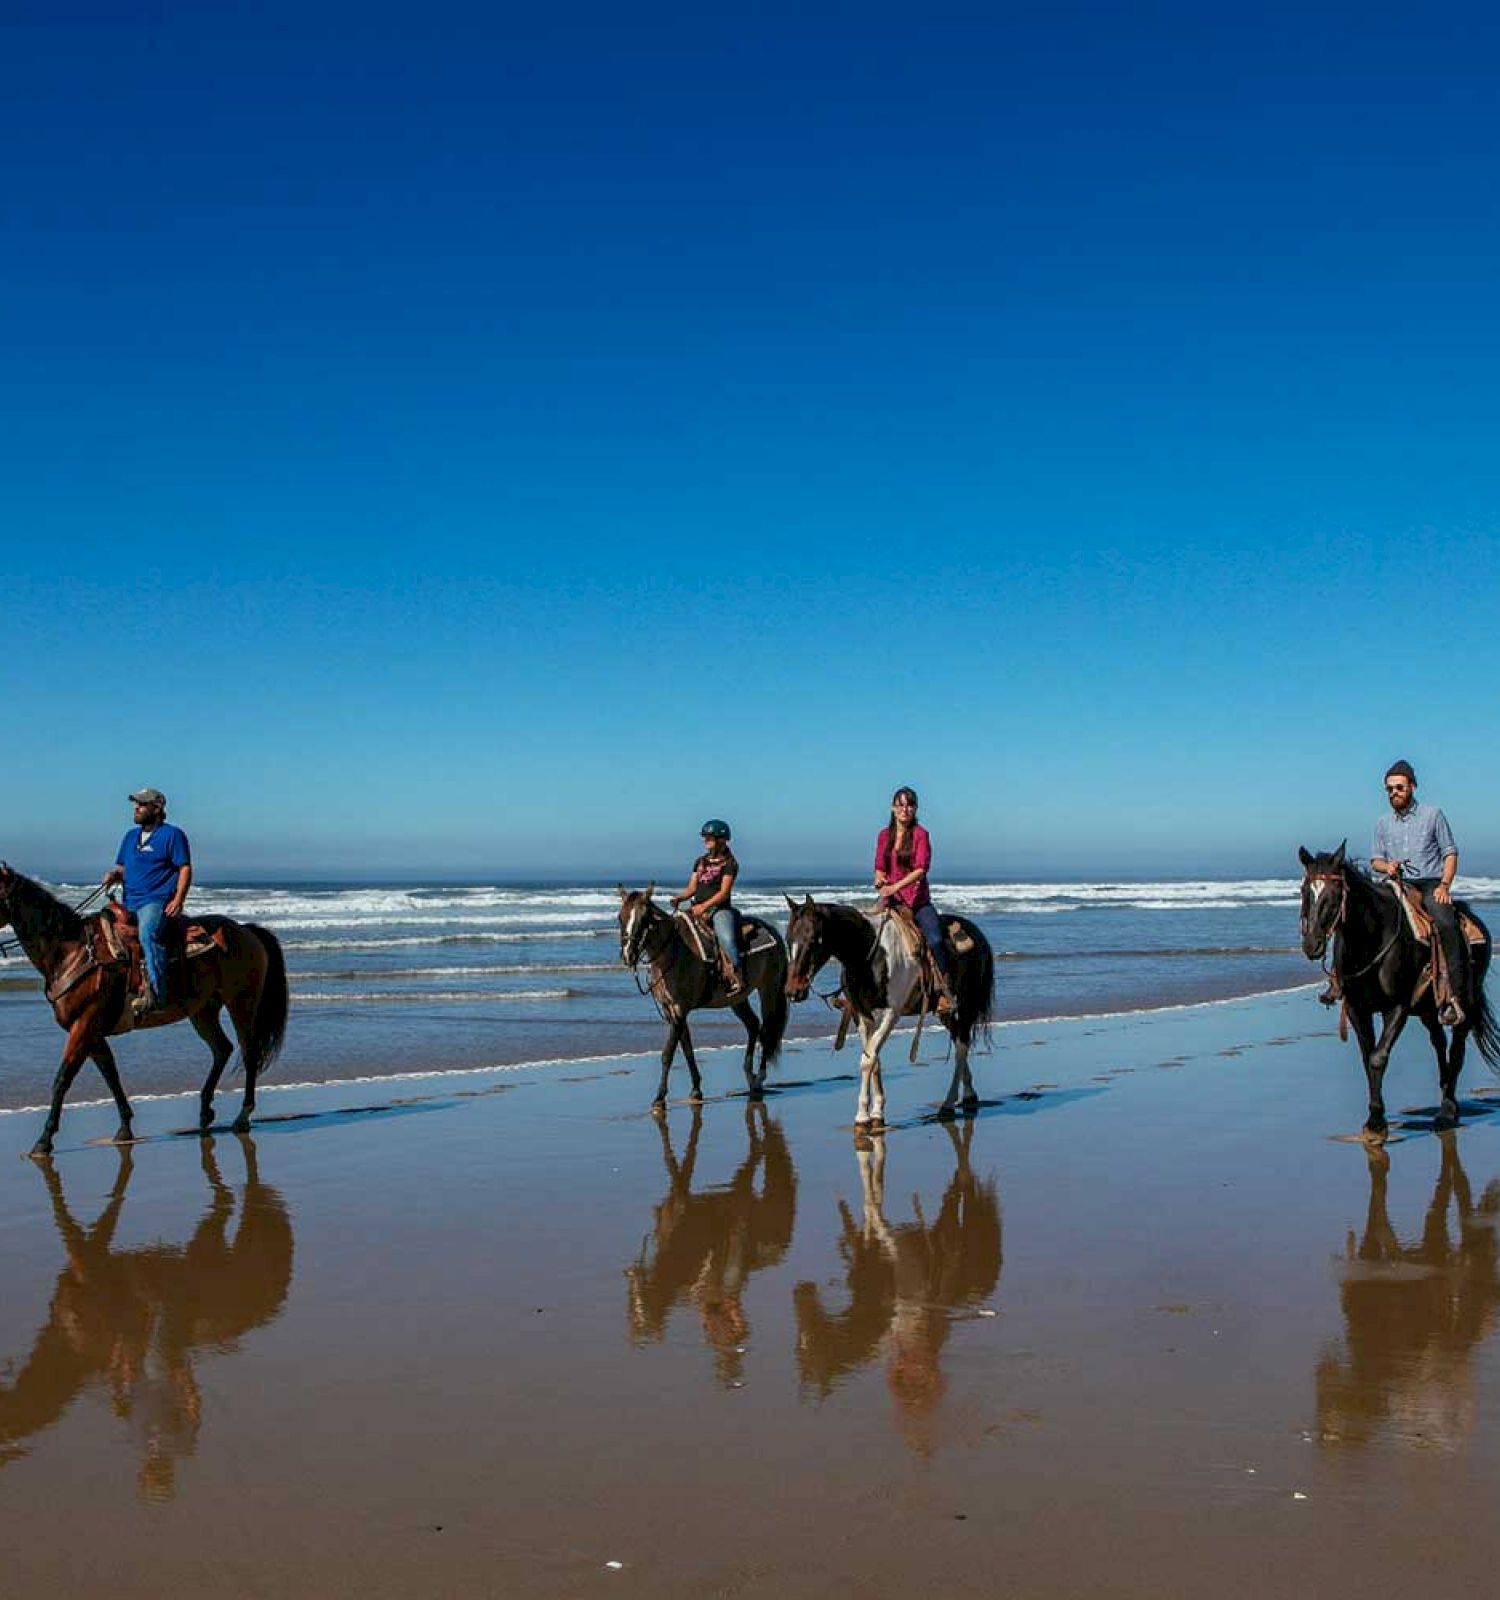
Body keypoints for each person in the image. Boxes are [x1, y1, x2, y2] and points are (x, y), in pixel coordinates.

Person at [1371, 759, 1465, 1026]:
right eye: (1389, 789)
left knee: (1446, 923)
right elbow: (1375, 860)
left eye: (1399, 787)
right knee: (1358, 914)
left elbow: (1450, 852)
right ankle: (1340, 981)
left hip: (1428, 883)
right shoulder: (1382, 823)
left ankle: (1455, 996)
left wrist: (1444, 886)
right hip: (1395, 883)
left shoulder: (1433, 815)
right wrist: (1387, 866)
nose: (1394, 793)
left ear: (1412, 786)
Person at [103, 787, 192, 1015]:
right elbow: (123, 867)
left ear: (157, 808)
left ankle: (157, 995)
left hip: (155, 900)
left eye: (141, 804)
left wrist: (179, 899)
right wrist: (114, 875)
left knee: (148, 934)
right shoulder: (130, 836)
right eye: (136, 804)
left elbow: (184, 868)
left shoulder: (172, 835)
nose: (136, 808)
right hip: (129, 900)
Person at [874, 786, 954, 1012]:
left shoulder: (921, 834)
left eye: (909, 805)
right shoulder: (883, 835)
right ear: (893, 808)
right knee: (866, 937)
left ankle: (943, 989)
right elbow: (879, 867)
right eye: (900, 805)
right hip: (891, 901)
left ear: (915, 808)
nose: (904, 809)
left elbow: (921, 869)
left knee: (936, 939)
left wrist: (895, 887)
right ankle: (859, 993)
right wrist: (879, 880)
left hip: (916, 901)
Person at [669, 820, 744, 997]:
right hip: (697, 909)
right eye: (706, 838)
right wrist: (680, 897)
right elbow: (692, 888)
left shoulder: (730, 864)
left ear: (721, 840)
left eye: (709, 838)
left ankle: (737, 977)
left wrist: (704, 906)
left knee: (726, 938)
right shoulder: (700, 862)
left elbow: (724, 893)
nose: (705, 841)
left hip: (719, 910)